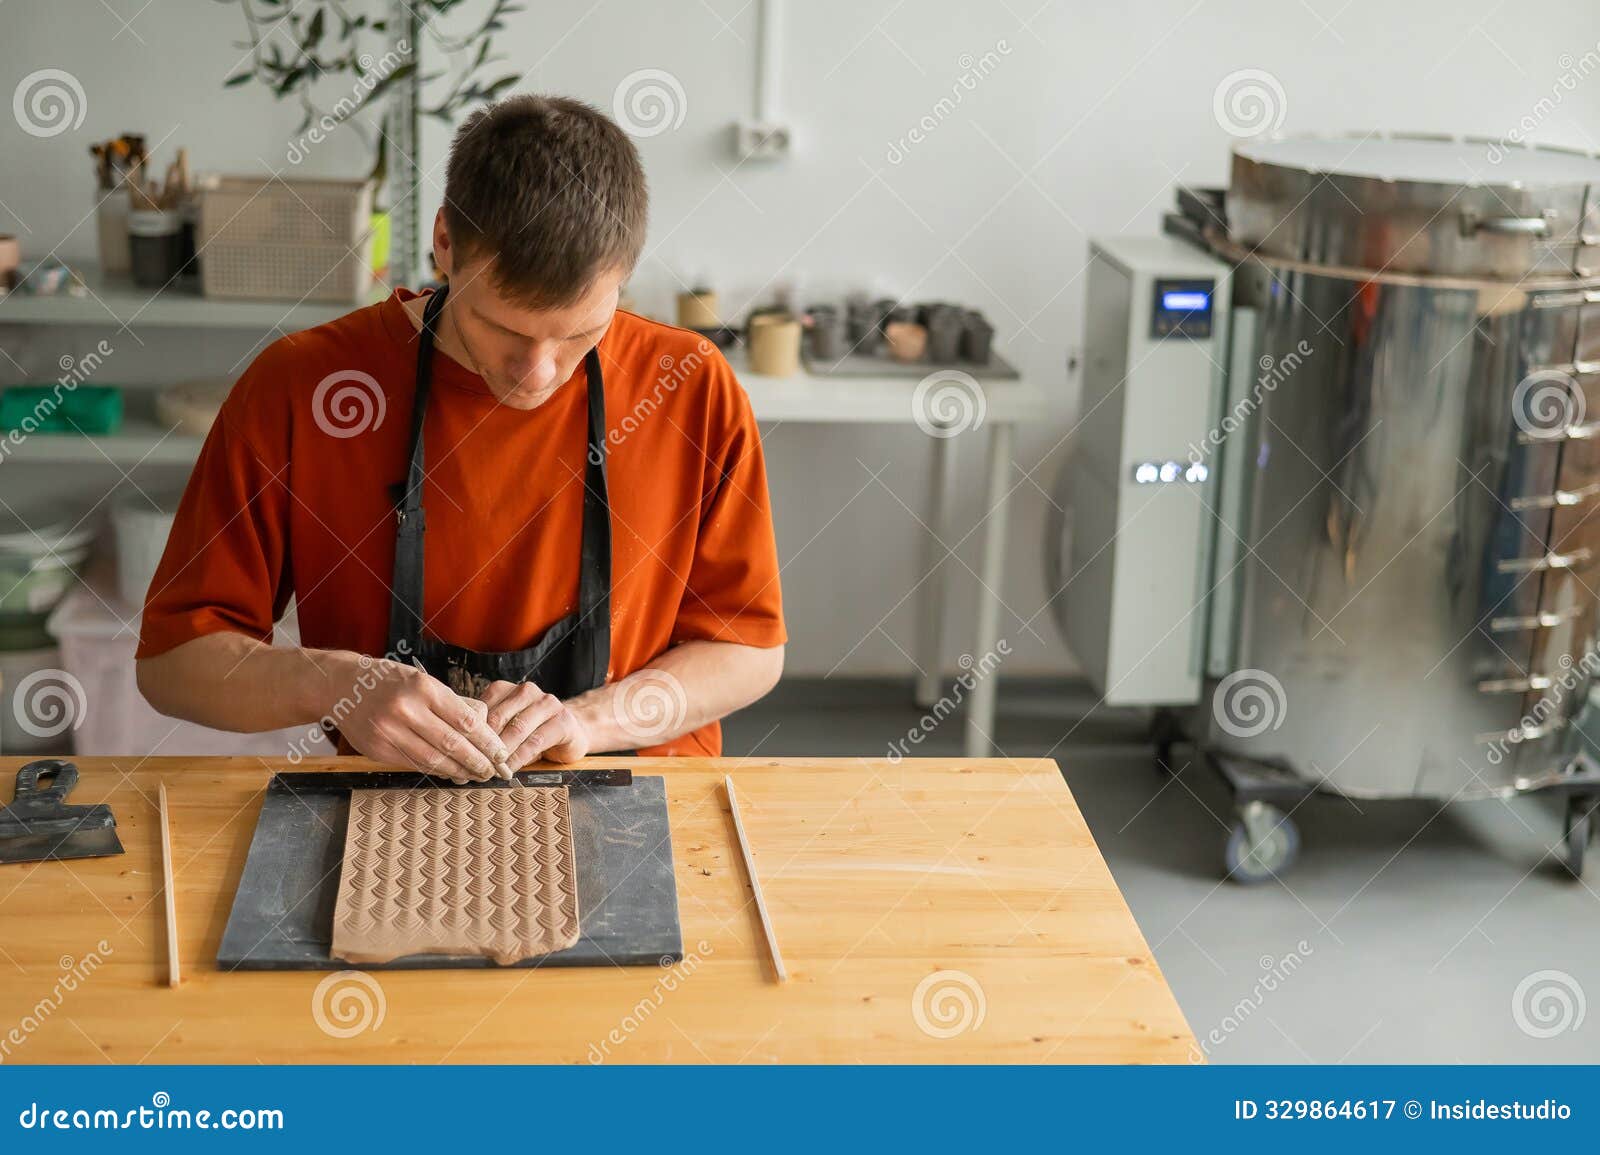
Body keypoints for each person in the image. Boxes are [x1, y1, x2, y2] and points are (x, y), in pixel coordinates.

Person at [135, 94, 785, 780]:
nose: (536, 373)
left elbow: (749, 649)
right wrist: (334, 684)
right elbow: (172, 665)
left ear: (623, 277)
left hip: (644, 791)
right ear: (444, 241)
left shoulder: (689, 385)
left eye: (578, 334)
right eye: (503, 328)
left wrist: (588, 720)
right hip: (392, 803)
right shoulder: (302, 386)